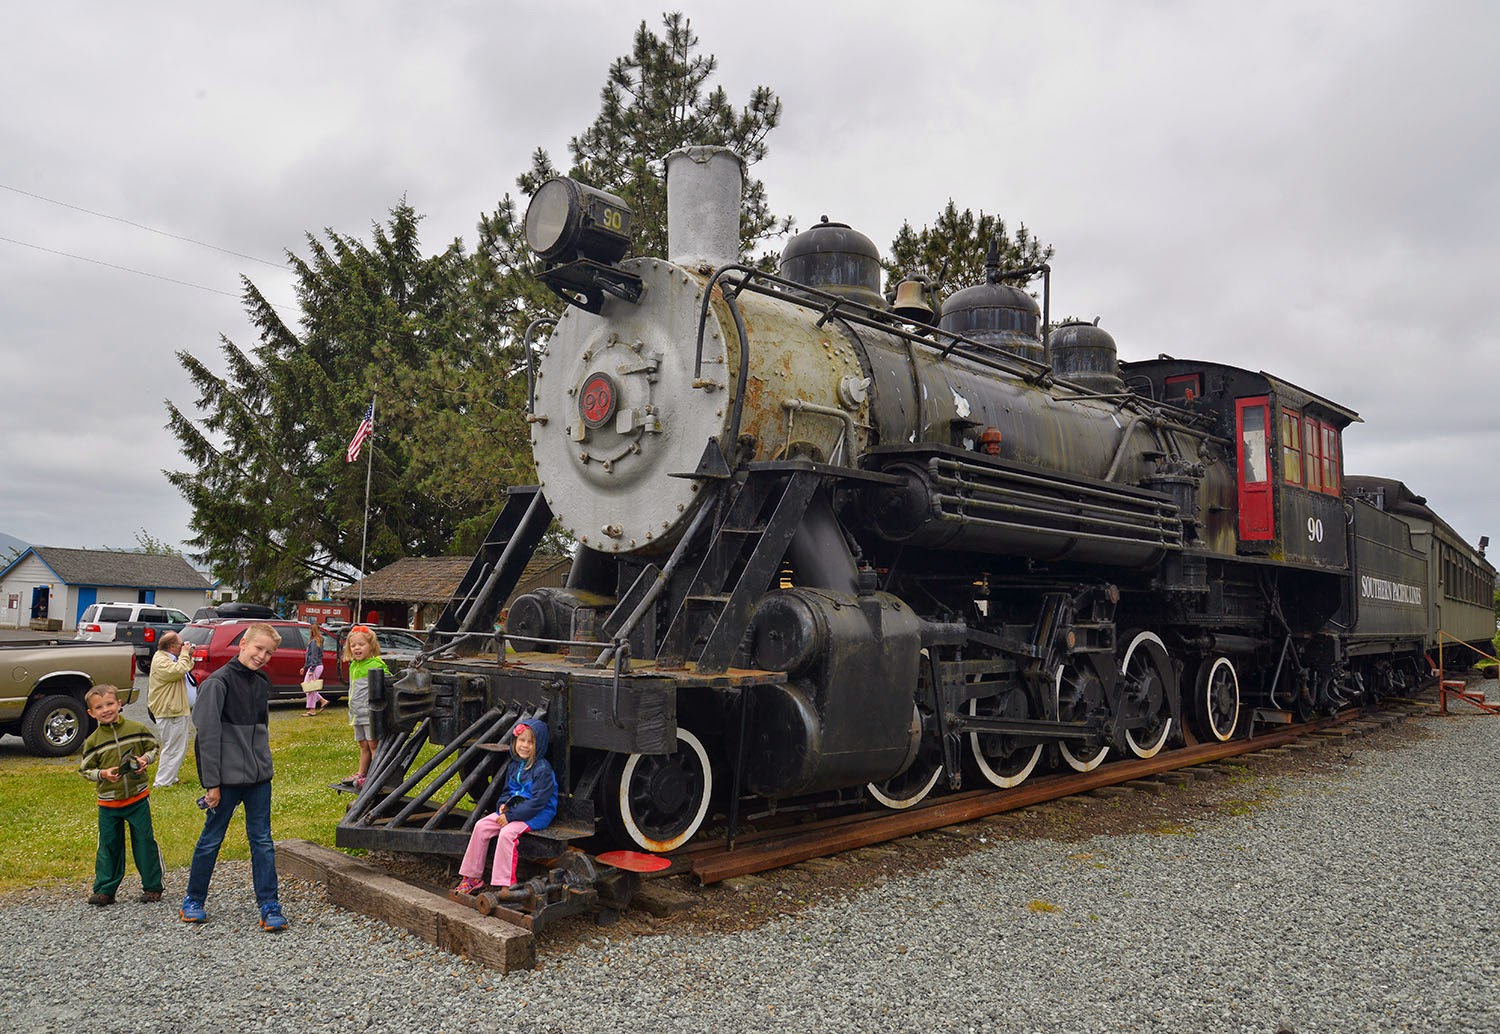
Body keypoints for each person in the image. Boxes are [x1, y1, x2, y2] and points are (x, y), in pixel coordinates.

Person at [181, 622, 287, 931]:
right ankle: (194, 899)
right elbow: (207, 738)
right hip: (225, 782)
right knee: (211, 840)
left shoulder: (259, 683)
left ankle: (269, 905)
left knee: (262, 841)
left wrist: (264, 766)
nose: (262, 656)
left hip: (258, 780)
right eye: (258, 648)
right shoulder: (217, 684)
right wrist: (211, 784)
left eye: (269, 652)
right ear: (242, 644)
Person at [78, 685, 165, 906]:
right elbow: (85, 770)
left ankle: (153, 886)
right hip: (108, 803)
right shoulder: (93, 741)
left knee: (145, 841)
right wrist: (103, 774)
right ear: (91, 713)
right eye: (99, 707)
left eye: (109, 704)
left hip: (137, 799)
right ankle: (105, 890)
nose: (105, 710)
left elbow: (153, 747)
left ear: (119, 704)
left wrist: (145, 760)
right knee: (109, 845)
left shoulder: (136, 729)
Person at [452, 718, 557, 896]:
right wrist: (502, 805)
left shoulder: (543, 770)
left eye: (530, 742)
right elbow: (508, 791)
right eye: (521, 740)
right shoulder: (515, 765)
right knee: (481, 826)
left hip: (537, 814)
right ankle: (471, 877)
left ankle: (506, 884)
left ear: (539, 745)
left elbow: (538, 802)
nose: (524, 745)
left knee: (507, 833)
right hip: (514, 810)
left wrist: (510, 817)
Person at [147, 631, 196, 787]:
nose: (183, 647)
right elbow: (178, 671)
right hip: (169, 711)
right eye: (181, 645)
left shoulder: (169, 658)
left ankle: (170, 777)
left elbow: (186, 667)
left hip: (174, 709)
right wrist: (185, 654)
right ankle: (162, 782)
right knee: (172, 748)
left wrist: (188, 655)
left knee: (177, 747)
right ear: (173, 646)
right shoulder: (161, 660)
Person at [342, 626, 388, 787]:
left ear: (371, 646)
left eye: (361, 644)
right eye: (353, 645)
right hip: (357, 713)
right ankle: (362, 772)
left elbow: (387, 683)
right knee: (363, 744)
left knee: (373, 744)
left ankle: (376, 775)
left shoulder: (376, 664)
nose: (357, 648)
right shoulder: (353, 666)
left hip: (370, 713)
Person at [301, 627, 329, 716]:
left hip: (315, 666)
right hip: (316, 666)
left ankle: (312, 710)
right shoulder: (318, 641)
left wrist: (311, 670)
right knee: (309, 687)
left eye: (309, 630)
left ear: (312, 631)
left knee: (309, 688)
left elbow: (314, 656)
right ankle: (322, 701)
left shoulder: (313, 642)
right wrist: (304, 667)